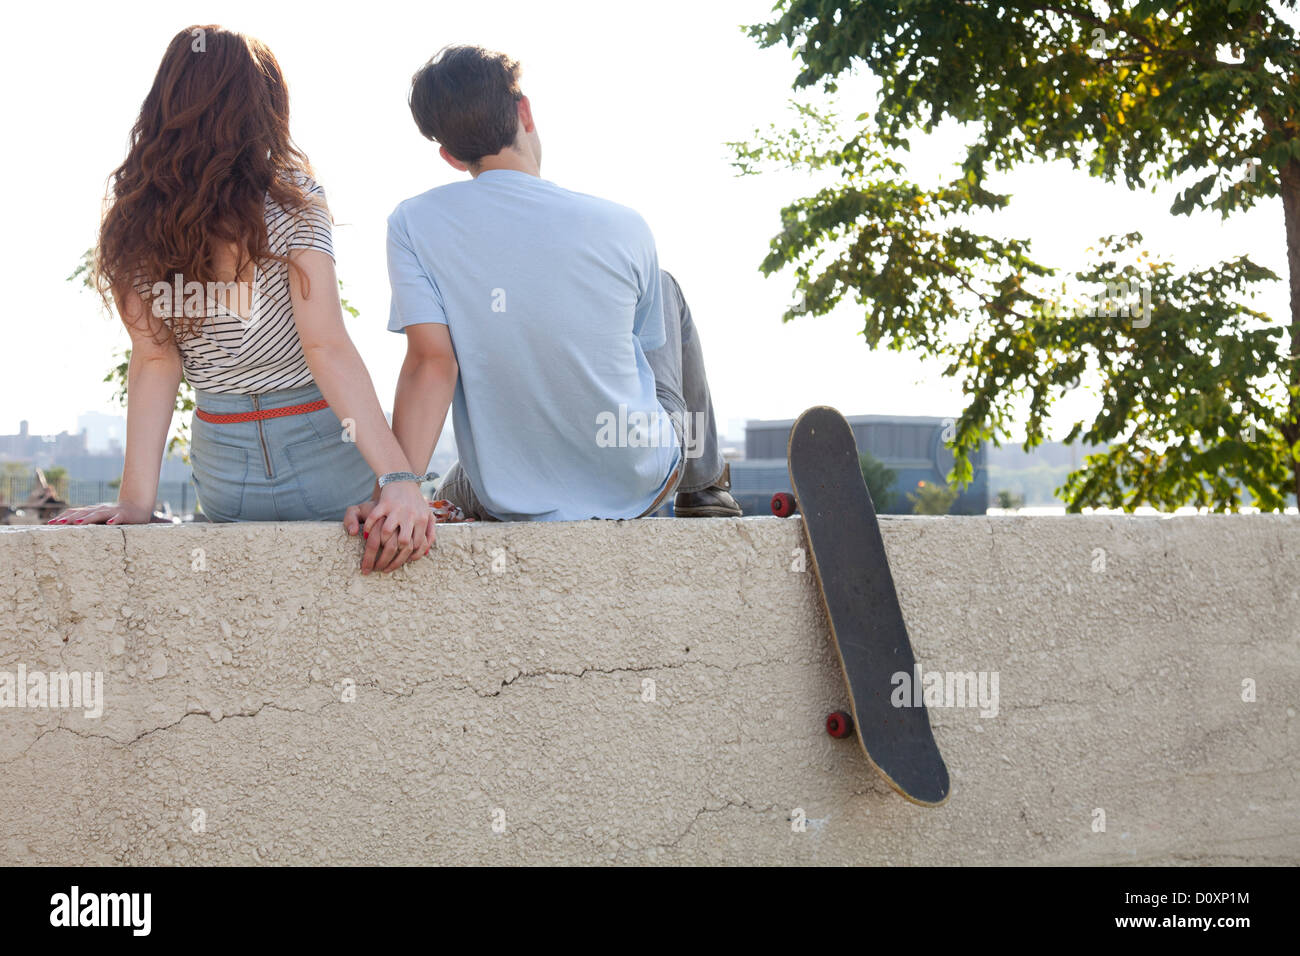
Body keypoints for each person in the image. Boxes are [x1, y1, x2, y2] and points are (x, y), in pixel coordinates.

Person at [49, 25, 432, 574]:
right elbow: (323, 343)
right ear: (264, 104)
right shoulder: (290, 196)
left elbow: (156, 361)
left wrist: (135, 502)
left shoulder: (133, 220)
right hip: (322, 445)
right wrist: (398, 480)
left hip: (227, 468)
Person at [347, 44, 740, 542]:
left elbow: (432, 365)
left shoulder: (413, 224)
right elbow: (637, 355)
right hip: (638, 478)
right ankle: (706, 485)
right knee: (663, 287)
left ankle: (451, 496)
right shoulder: (624, 225)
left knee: (467, 479)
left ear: (449, 155)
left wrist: (397, 488)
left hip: (508, 494)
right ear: (524, 110)